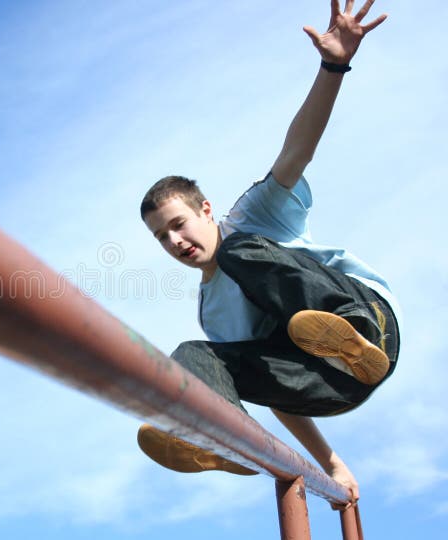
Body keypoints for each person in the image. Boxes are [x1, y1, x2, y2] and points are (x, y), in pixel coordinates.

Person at [136, 0, 399, 508]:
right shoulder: (212, 308)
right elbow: (274, 387)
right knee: (196, 356)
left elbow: (297, 149)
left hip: (375, 332)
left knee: (240, 253)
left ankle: (353, 334)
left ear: (205, 209)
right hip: (326, 384)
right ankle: (219, 436)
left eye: (178, 225)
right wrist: (332, 464)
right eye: (161, 238)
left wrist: (333, 66)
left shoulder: (252, 218)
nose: (175, 242)